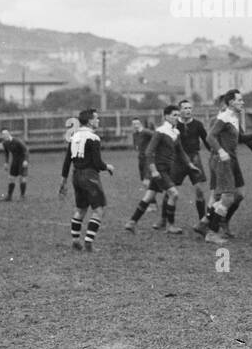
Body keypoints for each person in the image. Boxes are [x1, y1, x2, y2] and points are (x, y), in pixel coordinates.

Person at [202, 89, 252, 243]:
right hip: (223, 161)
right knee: (227, 198)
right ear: (231, 102)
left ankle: (206, 223)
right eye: (239, 100)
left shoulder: (234, 117)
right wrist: (220, 151)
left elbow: (238, 137)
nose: (242, 102)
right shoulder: (224, 117)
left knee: (238, 194)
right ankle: (211, 232)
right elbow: (209, 137)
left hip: (231, 160)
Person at [125, 105, 194, 235]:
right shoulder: (160, 131)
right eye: (174, 115)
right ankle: (171, 226)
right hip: (160, 170)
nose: (177, 118)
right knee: (174, 194)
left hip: (167, 169)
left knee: (149, 196)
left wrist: (190, 164)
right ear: (166, 116)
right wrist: (153, 170)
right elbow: (149, 152)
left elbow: (180, 151)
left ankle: (131, 222)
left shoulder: (176, 132)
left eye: (178, 115)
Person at [59, 109, 115, 252]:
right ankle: (89, 243)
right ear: (90, 121)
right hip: (90, 176)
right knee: (99, 210)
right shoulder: (93, 138)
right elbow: (97, 163)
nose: (98, 121)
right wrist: (107, 166)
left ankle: (75, 241)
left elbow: (67, 161)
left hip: (76, 176)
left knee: (80, 209)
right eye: (96, 118)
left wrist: (63, 181)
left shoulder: (74, 137)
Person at [175, 100, 213, 228]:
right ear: (179, 110)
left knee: (199, 191)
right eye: (185, 108)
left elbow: (207, 141)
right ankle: (165, 220)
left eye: (190, 108)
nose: (188, 110)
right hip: (178, 160)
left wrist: (215, 153)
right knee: (171, 191)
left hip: (194, 158)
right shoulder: (174, 125)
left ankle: (202, 222)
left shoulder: (198, 125)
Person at [0, 129, 29, 201]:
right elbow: (6, 153)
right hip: (15, 160)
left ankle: (22, 196)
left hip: (22, 160)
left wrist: (25, 160)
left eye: (6, 133)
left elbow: (25, 150)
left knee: (22, 177)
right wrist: (6, 162)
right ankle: (9, 196)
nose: (4, 135)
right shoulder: (4, 143)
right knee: (11, 178)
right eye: (3, 134)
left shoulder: (17, 141)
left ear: (9, 133)